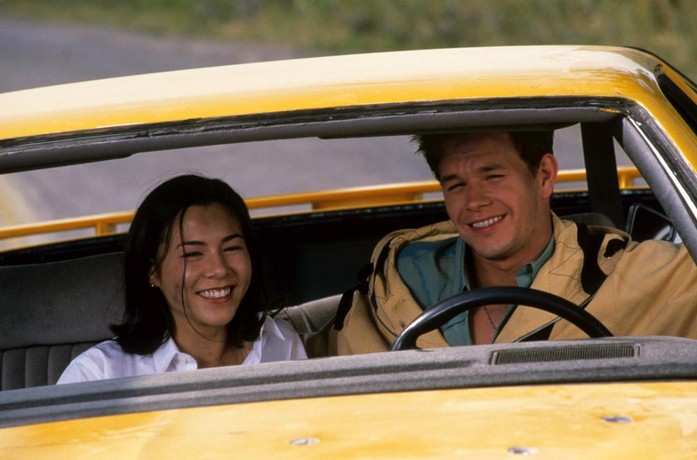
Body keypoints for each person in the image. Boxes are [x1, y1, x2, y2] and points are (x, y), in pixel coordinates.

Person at [336, 130, 697, 354]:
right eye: (456, 185)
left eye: (492, 177)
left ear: (544, 176)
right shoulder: (398, 281)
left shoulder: (635, 274)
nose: (474, 201)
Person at [59, 174, 307, 383]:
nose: (219, 269)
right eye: (193, 253)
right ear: (153, 271)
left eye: (231, 248)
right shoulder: (97, 374)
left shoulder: (281, 344)